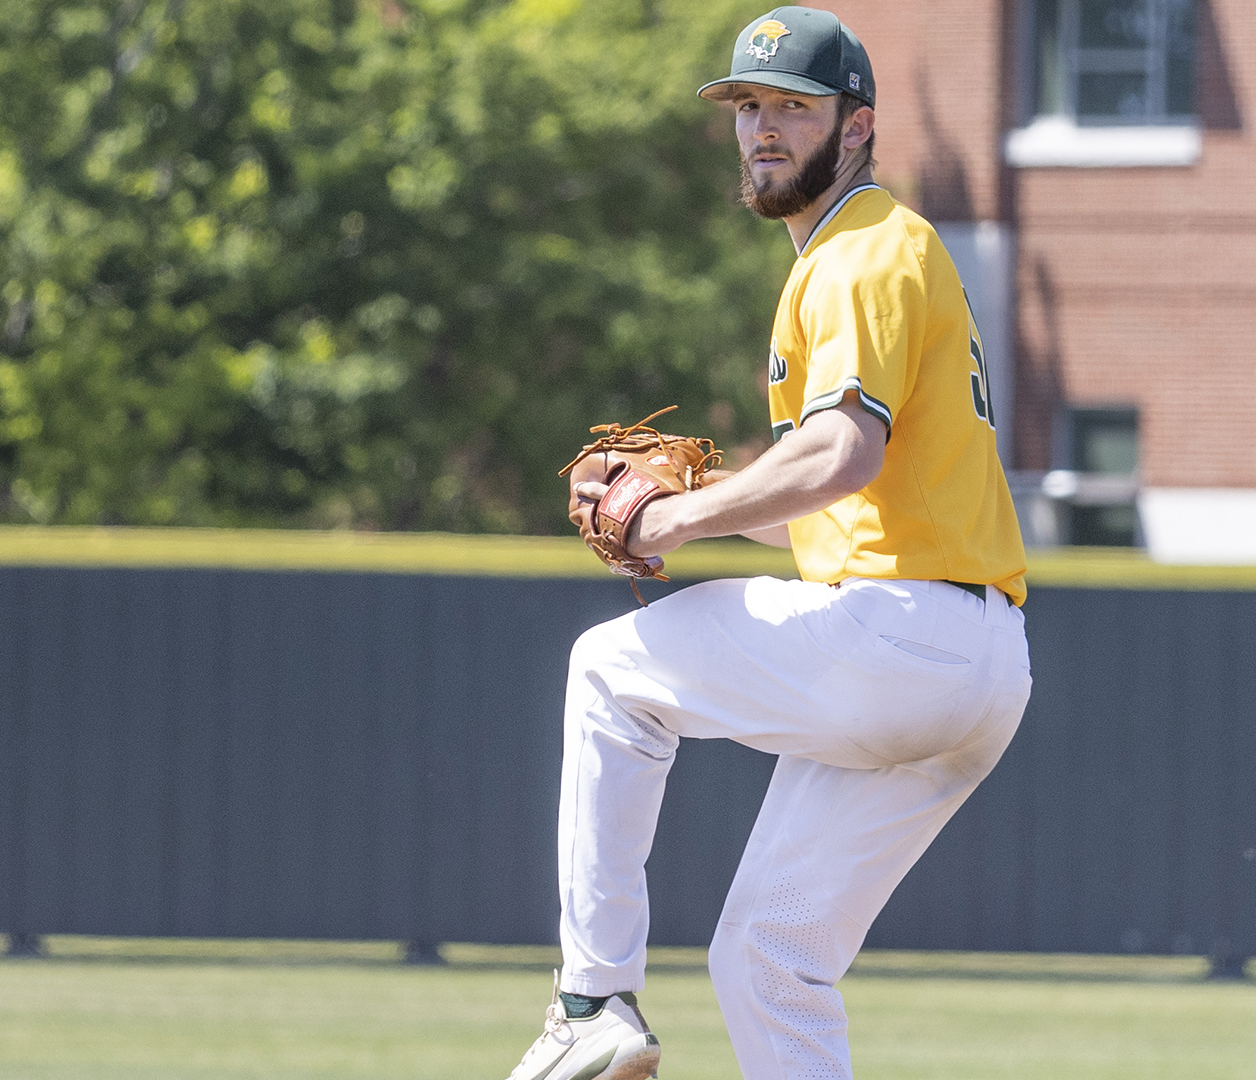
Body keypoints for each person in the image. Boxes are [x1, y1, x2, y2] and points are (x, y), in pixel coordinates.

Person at [505, 8, 1032, 1079]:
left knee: (608, 670)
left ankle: (592, 998)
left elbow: (841, 452)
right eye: (748, 106)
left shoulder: (862, 251)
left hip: (898, 635)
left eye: (794, 105)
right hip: (969, 665)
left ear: (857, 125)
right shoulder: (866, 256)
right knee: (769, 957)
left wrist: (671, 518)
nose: (763, 128)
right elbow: (826, 505)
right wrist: (704, 495)